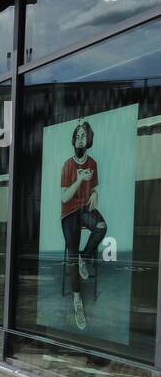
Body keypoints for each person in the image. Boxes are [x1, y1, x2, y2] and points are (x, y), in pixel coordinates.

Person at [60, 120, 108, 331]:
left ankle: (84, 257)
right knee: (71, 255)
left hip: (85, 208)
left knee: (101, 227)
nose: (80, 139)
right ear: (74, 140)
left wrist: (95, 194)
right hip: (69, 212)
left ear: (88, 141)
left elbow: (94, 186)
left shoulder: (93, 163)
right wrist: (79, 180)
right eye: (78, 136)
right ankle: (77, 299)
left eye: (84, 136)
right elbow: (64, 197)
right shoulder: (68, 165)